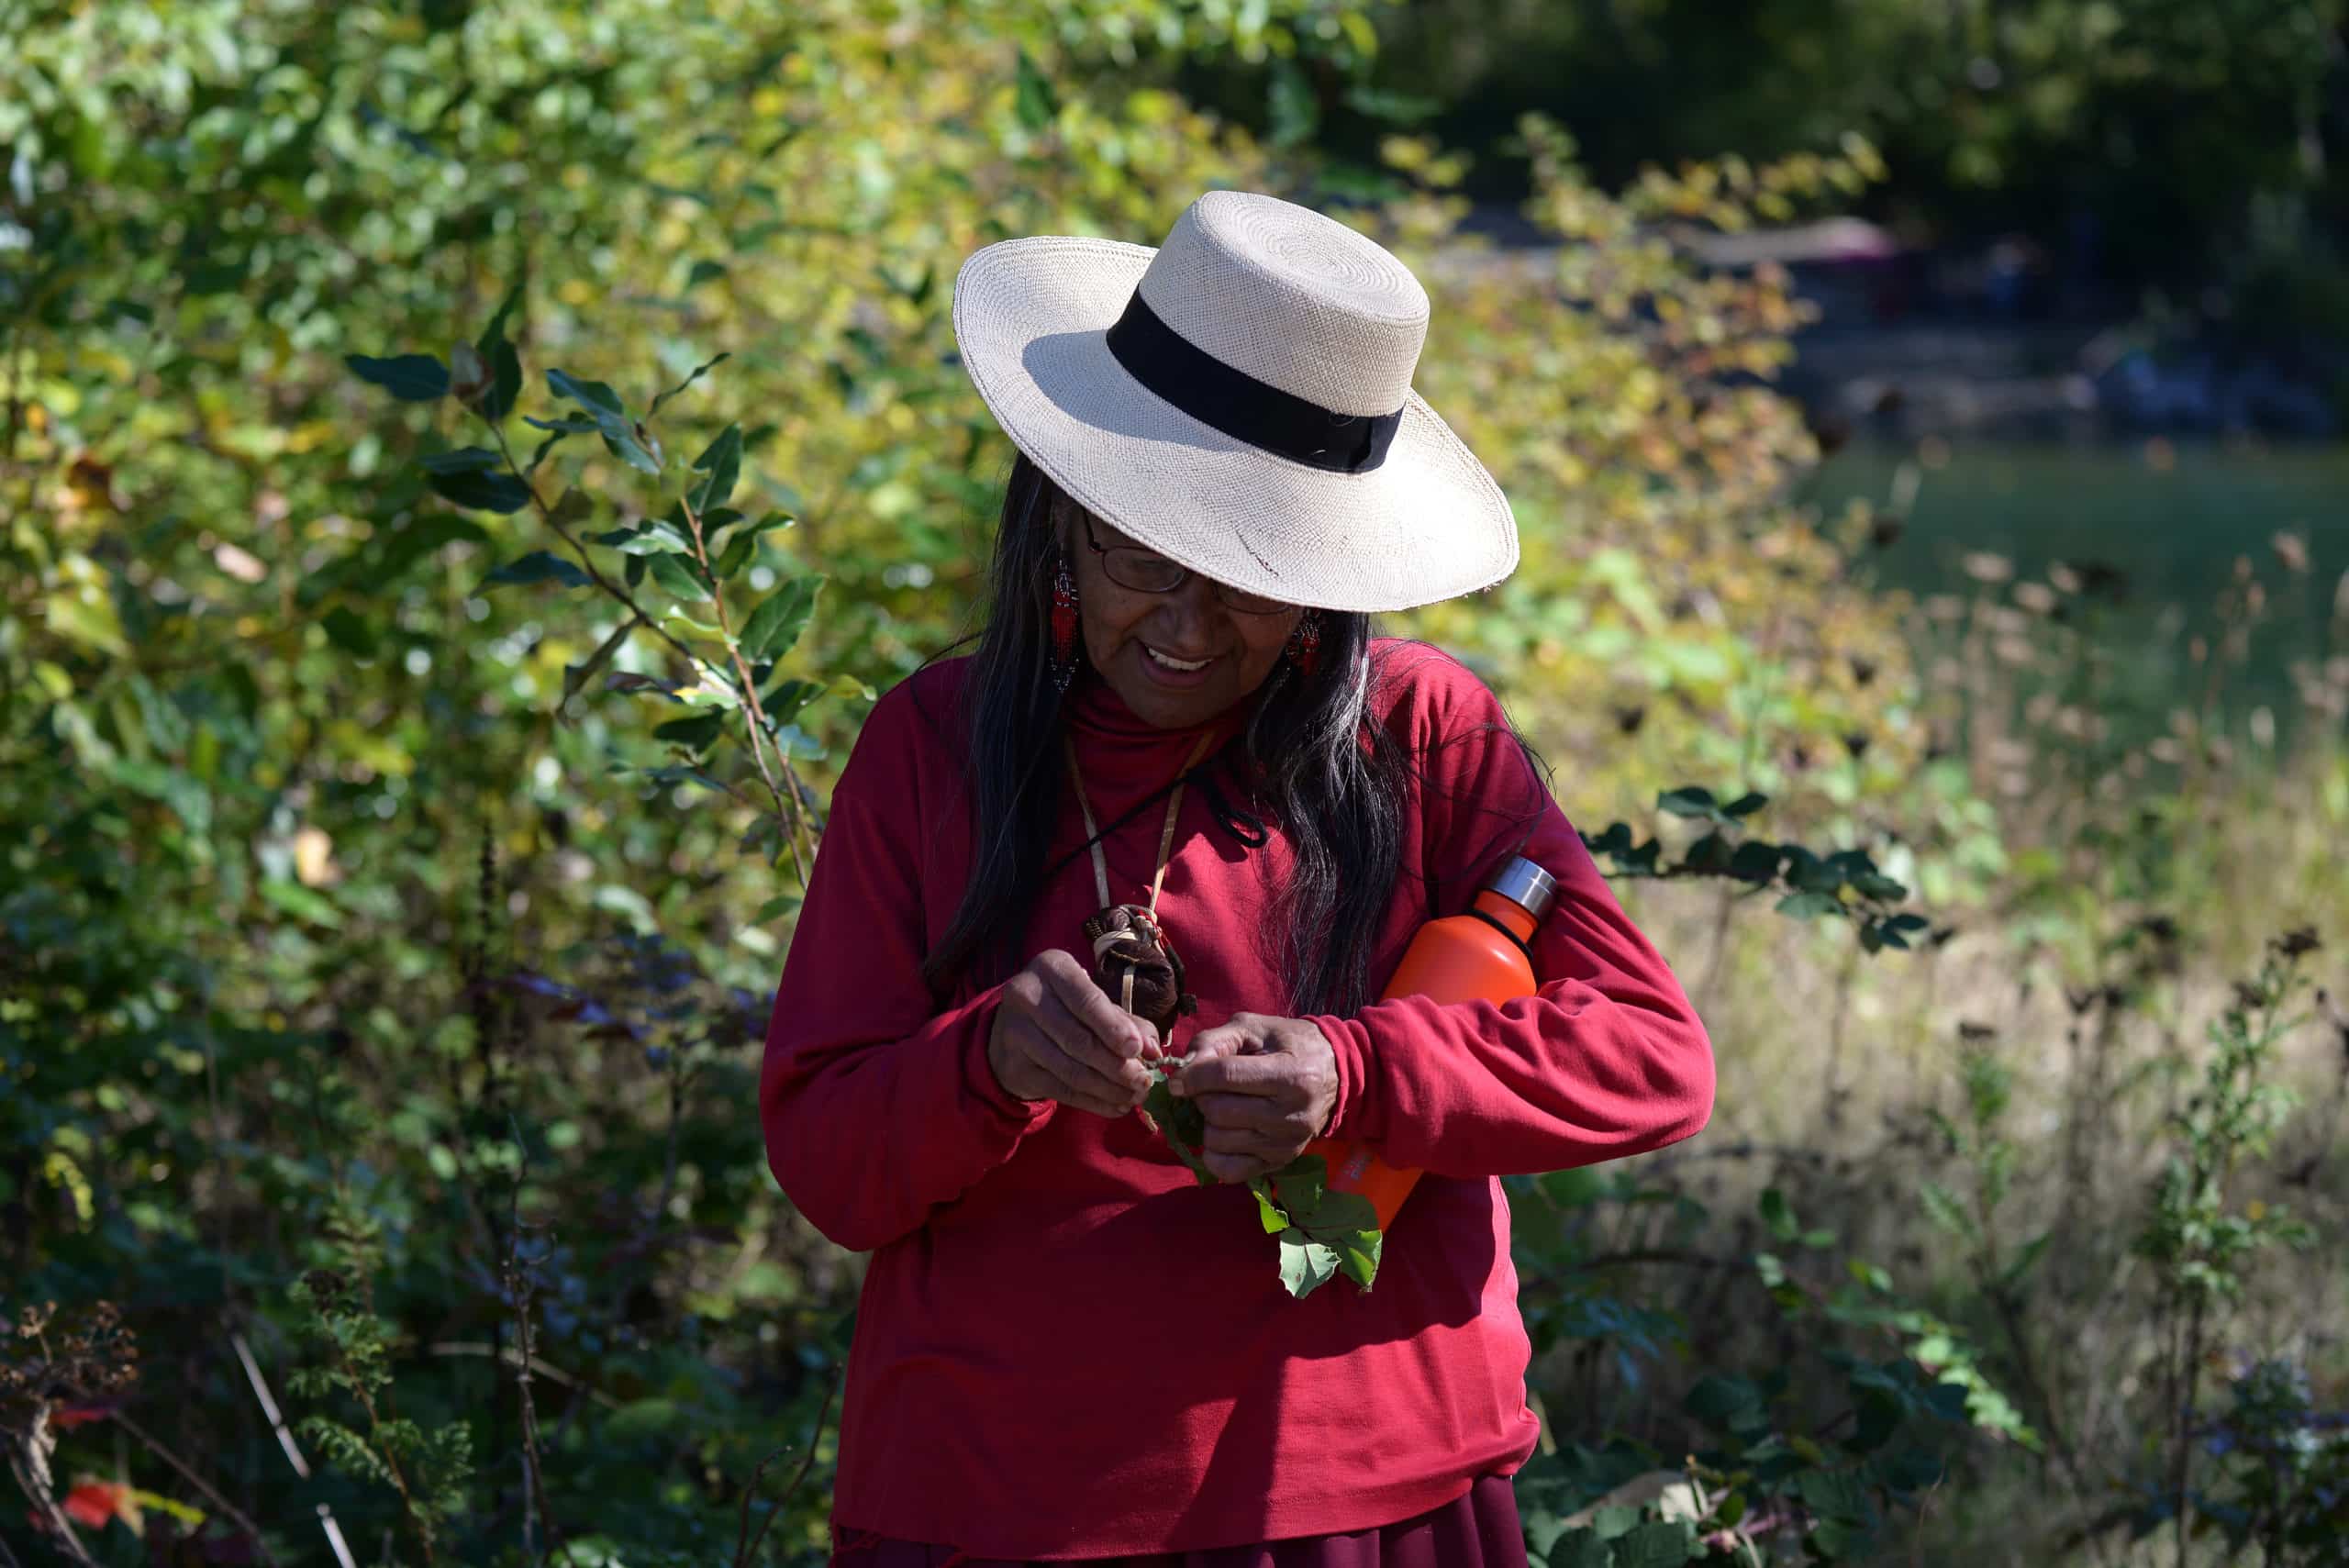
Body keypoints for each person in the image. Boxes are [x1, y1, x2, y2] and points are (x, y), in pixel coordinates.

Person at [760, 191, 1715, 1566]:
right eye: (1148, 554)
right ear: (1066, 514)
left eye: (1256, 575)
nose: (1192, 625)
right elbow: (831, 1164)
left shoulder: (1420, 732)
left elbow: (1655, 1058)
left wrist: (1359, 1071)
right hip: (995, 1497)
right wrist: (993, 1061)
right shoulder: (931, 747)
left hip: (1361, 1486)